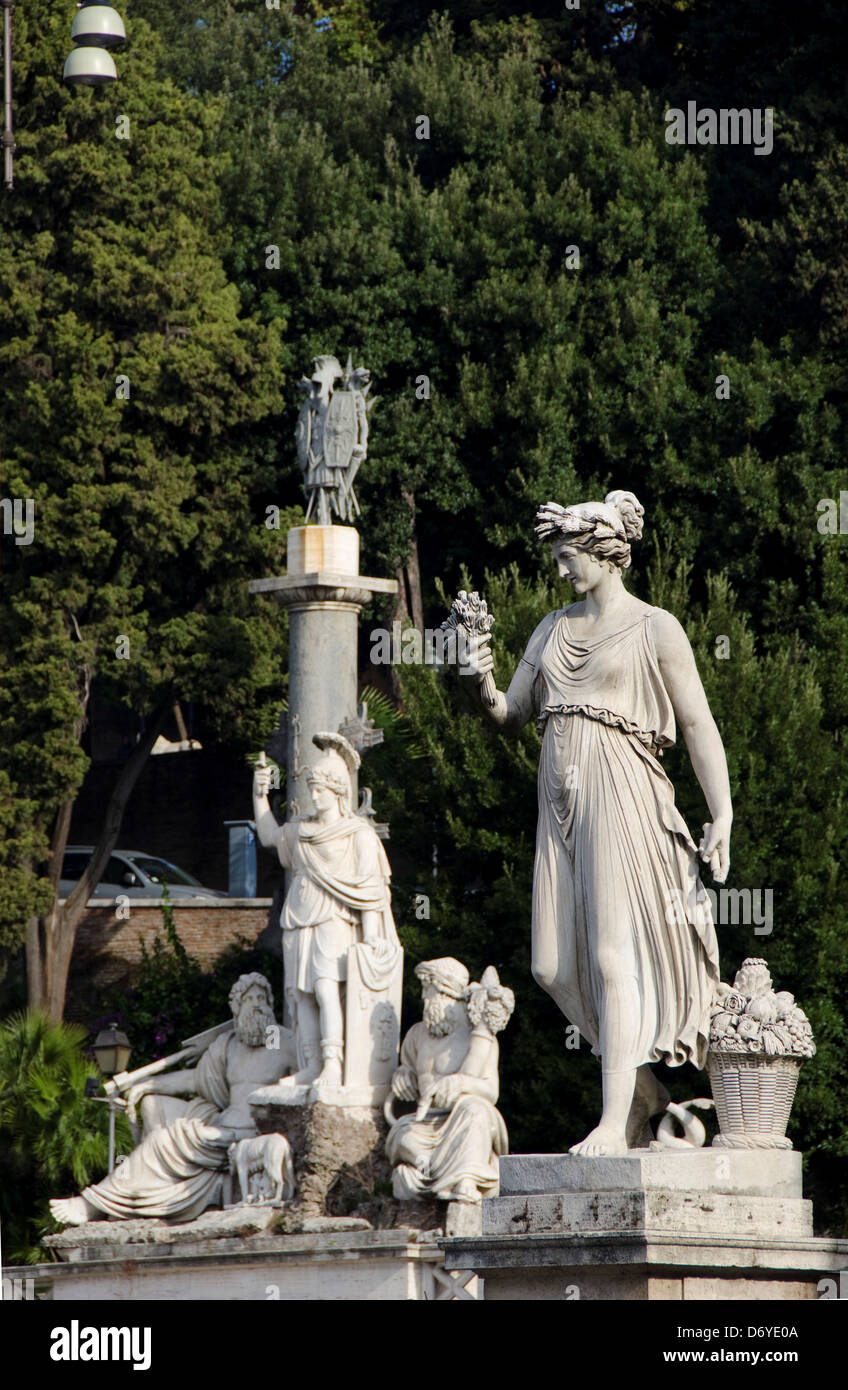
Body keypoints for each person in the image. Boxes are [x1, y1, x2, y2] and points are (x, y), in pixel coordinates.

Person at [461, 490, 732, 1156]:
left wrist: (721, 812)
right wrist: (478, 679)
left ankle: (613, 1126)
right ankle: (643, 1094)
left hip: (623, 791)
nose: (560, 572)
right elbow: (510, 713)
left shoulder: (654, 627)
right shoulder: (551, 628)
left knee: (614, 956)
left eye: (566, 558)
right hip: (560, 804)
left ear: (603, 551)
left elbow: (697, 723)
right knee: (552, 963)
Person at [50, 974, 293, 1225]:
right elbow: (195, 1080)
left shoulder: (277, 1039)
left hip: (250, 1131)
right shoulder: (229, 1043)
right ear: (236, 1007)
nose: (256, 1004)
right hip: (223, 1122)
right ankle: (148, 1193)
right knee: (151, 1104)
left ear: (270, 1003)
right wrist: (148, 1085)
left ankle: (93, 1205)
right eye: (249, 998)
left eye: (262, 998)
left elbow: (274, 1059)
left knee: (161, 1141)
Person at [253, 732, 399, 1090]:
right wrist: (259, 797)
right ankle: (312, 1065)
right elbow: (270, 836)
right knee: (300, 995)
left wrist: (373, 937)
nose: (313, 795)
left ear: (338, 792)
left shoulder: (358, 835)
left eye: (319, 789)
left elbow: (371, 891)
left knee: (325, 989)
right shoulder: (302, 831)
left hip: (335, 920)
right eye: (311, 788)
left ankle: (333, 1063)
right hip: (299, 919)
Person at [386, 958, 509, 1204]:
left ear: (446, 993)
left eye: (427, 990)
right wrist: (403, 1077)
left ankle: (463, 1180)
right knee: (401, 1134)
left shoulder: (478, 1037)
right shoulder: (417, 1034)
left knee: (475, 1111)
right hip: (425, 1122)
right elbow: (407, 1069)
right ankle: (437, 1170)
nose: (423, 997)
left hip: (461, 1119)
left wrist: (460, 1084)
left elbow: (490, 1091)